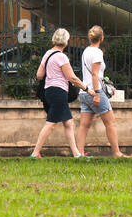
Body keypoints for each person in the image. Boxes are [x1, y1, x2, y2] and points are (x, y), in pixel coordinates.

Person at [31, 28, 90, 158]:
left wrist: (52, 72)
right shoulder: (62, 57)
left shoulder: (48, 54)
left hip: (48, 91)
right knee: (51, 124)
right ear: (66, 41)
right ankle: (35, 153)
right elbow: (72, 78)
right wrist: (87, 89)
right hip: (59, 92)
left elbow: (39, 75)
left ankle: (76, 154)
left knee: (68, 123)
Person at [76, 25, 131, 158]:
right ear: (101, 38)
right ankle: (117, 152)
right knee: (110, 123)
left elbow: (96, 75)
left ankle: (79, 153)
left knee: (84, 125)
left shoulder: (86, 51)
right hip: (95, 92)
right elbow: (95, 75)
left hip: (84, 92)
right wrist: (97, 94)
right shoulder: (98, 52)